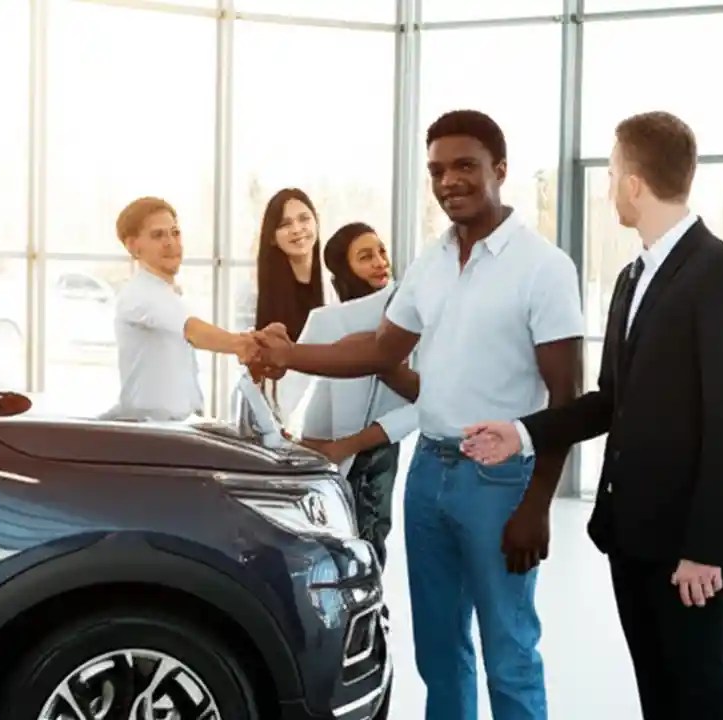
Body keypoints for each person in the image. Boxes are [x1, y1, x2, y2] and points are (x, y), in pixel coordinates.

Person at [248, 110, 584, 720]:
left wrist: (537, 504)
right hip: (428, 474)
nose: (448, 180)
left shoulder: (544, 267)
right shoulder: (431, 262)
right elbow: (380, 350)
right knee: (439, 650)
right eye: (436, 170)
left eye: (464, 166)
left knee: (509, 651)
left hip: (498, 479)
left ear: (499, 171)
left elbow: (566, 397)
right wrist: (288, 354)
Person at [462, 111, 723, 720]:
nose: (608, 189)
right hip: (634, 537)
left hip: (690, 550)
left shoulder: (720, 272)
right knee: (660, 697)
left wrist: (705, 548)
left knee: (707, 701)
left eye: (613, 173)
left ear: (632, 184)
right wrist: (521, 432)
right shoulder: (632, 276)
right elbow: (610, 400)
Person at [296, 222, 417, 566]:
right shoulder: (327, 321)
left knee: (365, 556)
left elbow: (425, 404)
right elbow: (297, 382)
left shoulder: (409, 317)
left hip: (374, 455)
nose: (381, 262)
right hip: (325, 459)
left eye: (381, 252)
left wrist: (347, 446)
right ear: (344, 269)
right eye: (366, 257)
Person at [109, 196, 258, 421]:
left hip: (176, 429)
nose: (170, 243)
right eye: (158, 235)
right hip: (152, 433)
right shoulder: (139, 294)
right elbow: (194, 332)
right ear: (133, 246)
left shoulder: (169, 295)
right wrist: (245, 345)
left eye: (175, 233)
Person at [252, 188, 328, 427]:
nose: (297, 229)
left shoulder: (337, 281)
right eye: (285, 224)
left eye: (304, 218)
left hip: (334, 404)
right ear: (273, 237)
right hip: (286, 411)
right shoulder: (259, 291)